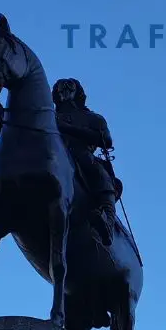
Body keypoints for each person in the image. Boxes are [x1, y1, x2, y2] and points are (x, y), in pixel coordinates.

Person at [52, 78, 120, 246]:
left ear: (77, 92)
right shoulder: (47, 116)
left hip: (81, 154)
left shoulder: (93, 118)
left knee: (98, 173)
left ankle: (107, 223)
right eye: (60, 88)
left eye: (69, 87)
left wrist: (67, 128)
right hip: (51, 155)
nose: (65, 91)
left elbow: (106, 140)